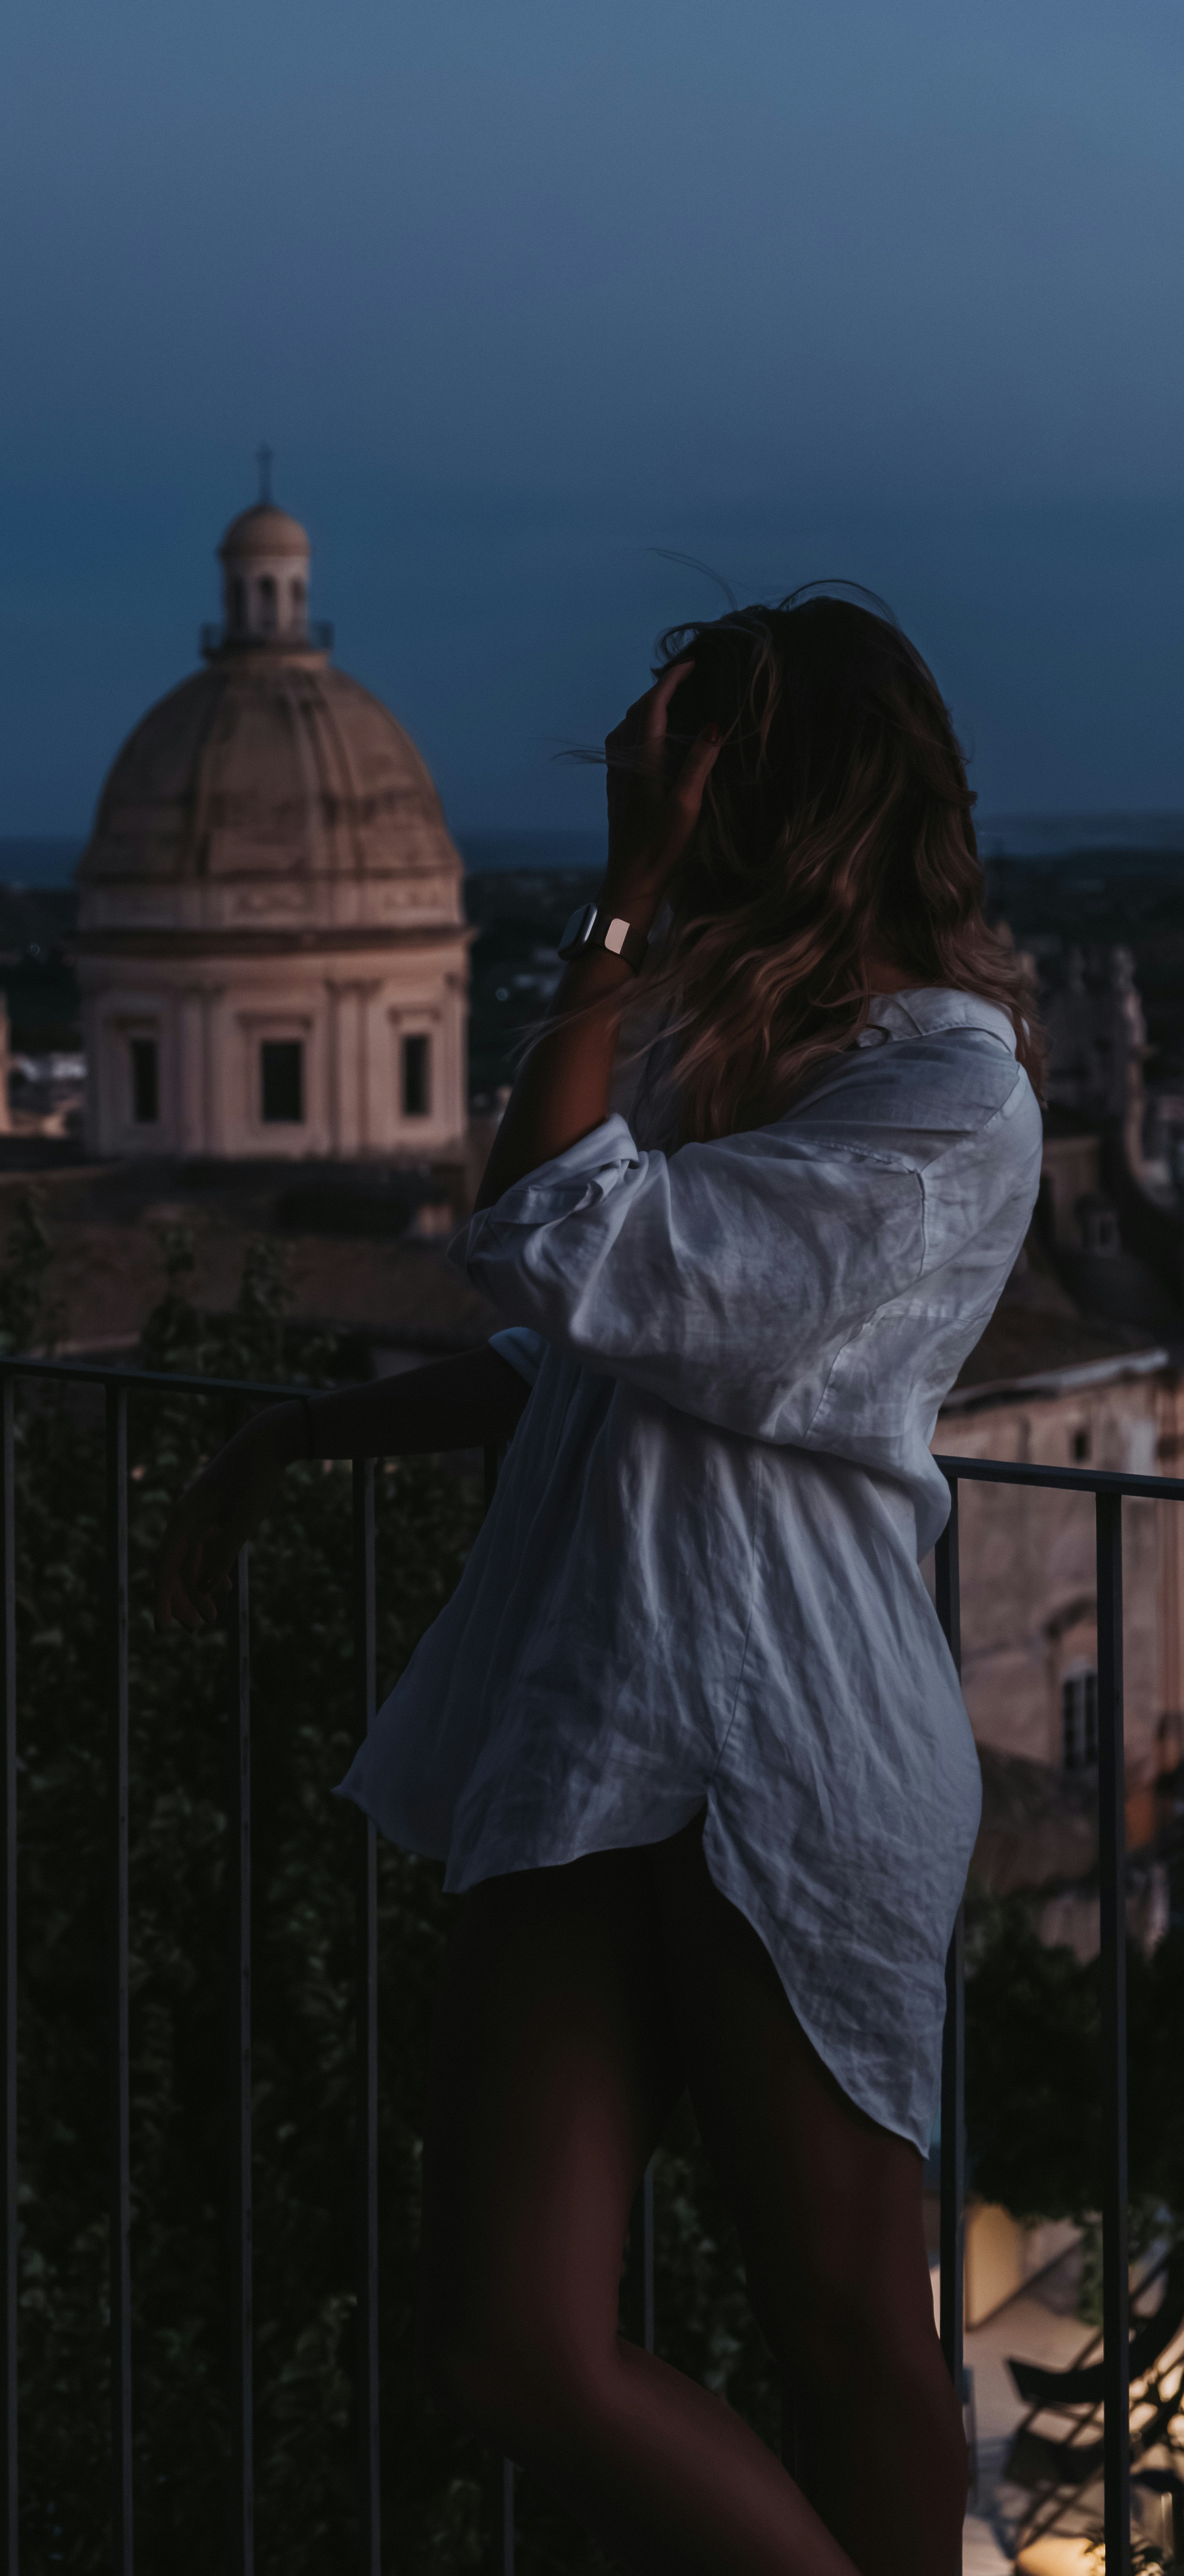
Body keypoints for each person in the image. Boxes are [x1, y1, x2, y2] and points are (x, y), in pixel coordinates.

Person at [154, 593, 1044, 2576]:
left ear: (784, 798)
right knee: (507, 2343)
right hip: (589, 1722)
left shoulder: (945, 1097)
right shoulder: (696, 1048)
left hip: (784, 1745)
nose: (654, 791)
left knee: (840, 2321)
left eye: (688, 763)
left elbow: (563, 1241)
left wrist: (622, 901)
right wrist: (296, 1439)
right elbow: (585, 1352)